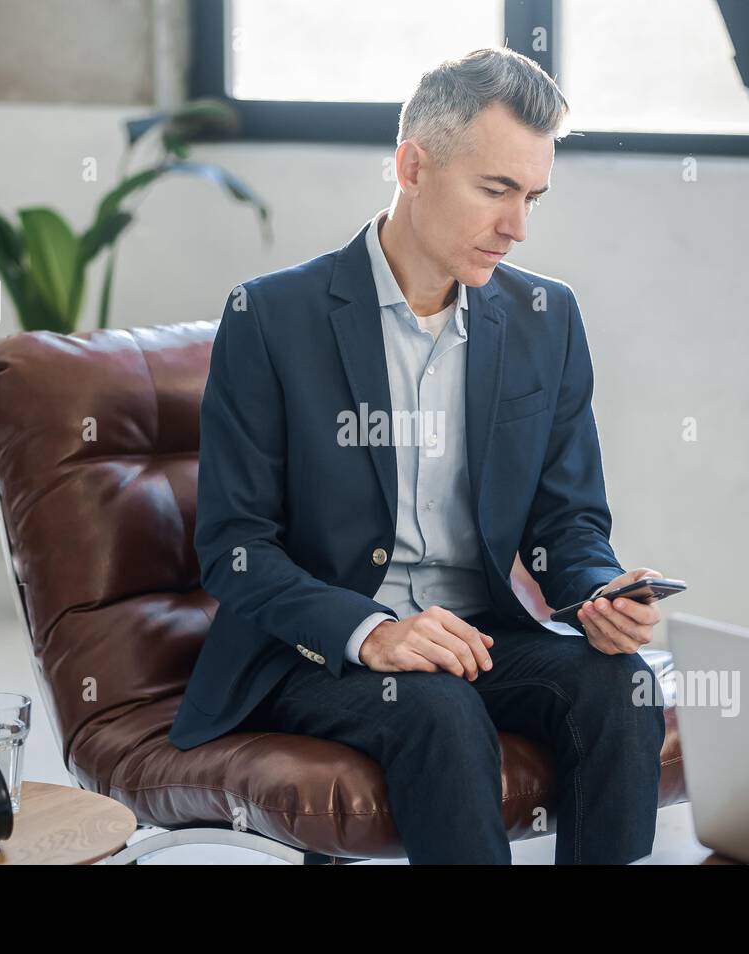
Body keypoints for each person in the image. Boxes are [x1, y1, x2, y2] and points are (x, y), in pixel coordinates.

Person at [169, 46, 670, 864]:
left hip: (480, 637)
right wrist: (372, 633)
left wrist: (596, 593)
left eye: (533, 196)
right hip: (321, 650)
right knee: (435, 706)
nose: (518, 226)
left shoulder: (548, 318)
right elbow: (236, 550)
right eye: (496, 189)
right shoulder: (270, 319)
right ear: (412, 166)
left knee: (620, 686)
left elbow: (566, 519)